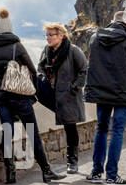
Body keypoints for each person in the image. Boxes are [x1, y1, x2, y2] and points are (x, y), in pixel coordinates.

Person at [0, 9, 64, 184]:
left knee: (7, 133)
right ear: (10, 28)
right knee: (32, 133)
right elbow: (33, 72)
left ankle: (10, 173)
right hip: (20, 97)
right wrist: (33, 94)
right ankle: (46, 171)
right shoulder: (16, 47)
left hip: (1, 98)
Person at [83, 10, 126, 185]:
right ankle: (111, 175)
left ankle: (96, 172)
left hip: (101, 91)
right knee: (117, 130)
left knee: (101, 129)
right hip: (122, 91)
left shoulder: (95, 38)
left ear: (111, 21)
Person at [36, 22, 88, 175]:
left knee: (70, 127)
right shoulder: (47, 51)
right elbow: (40, 67)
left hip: (68, 95)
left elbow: (83, 70)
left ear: (61, 35)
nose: (48, 38)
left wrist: (74, 88)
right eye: (46, 35)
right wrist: (42, 77)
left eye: (51, 35)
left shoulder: (73, 51)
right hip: (52, 95)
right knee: (67, 124)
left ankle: (72, 162)